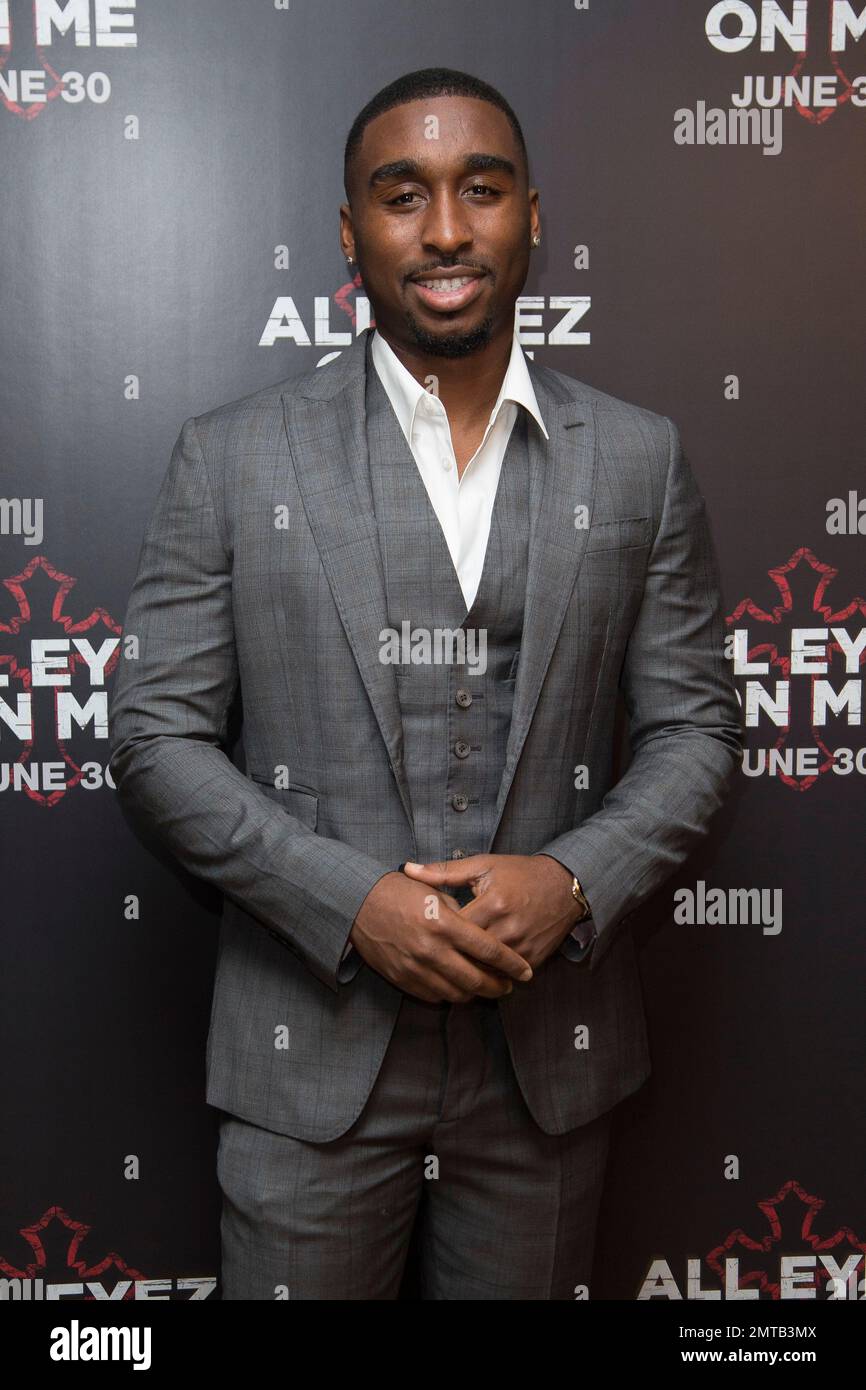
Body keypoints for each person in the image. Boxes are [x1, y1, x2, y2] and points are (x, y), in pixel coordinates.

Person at [109, 66, 743, 1300]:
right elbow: (153, 739)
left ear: (532, 216)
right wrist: (353, 905)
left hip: (544, 1073)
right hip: (307, 1070)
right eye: (402, 196)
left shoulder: (637, 459)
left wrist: (571, 880)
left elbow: (695, 730)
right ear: (349, 233)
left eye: (481, 189)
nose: (445, 230)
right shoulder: (231, 458)